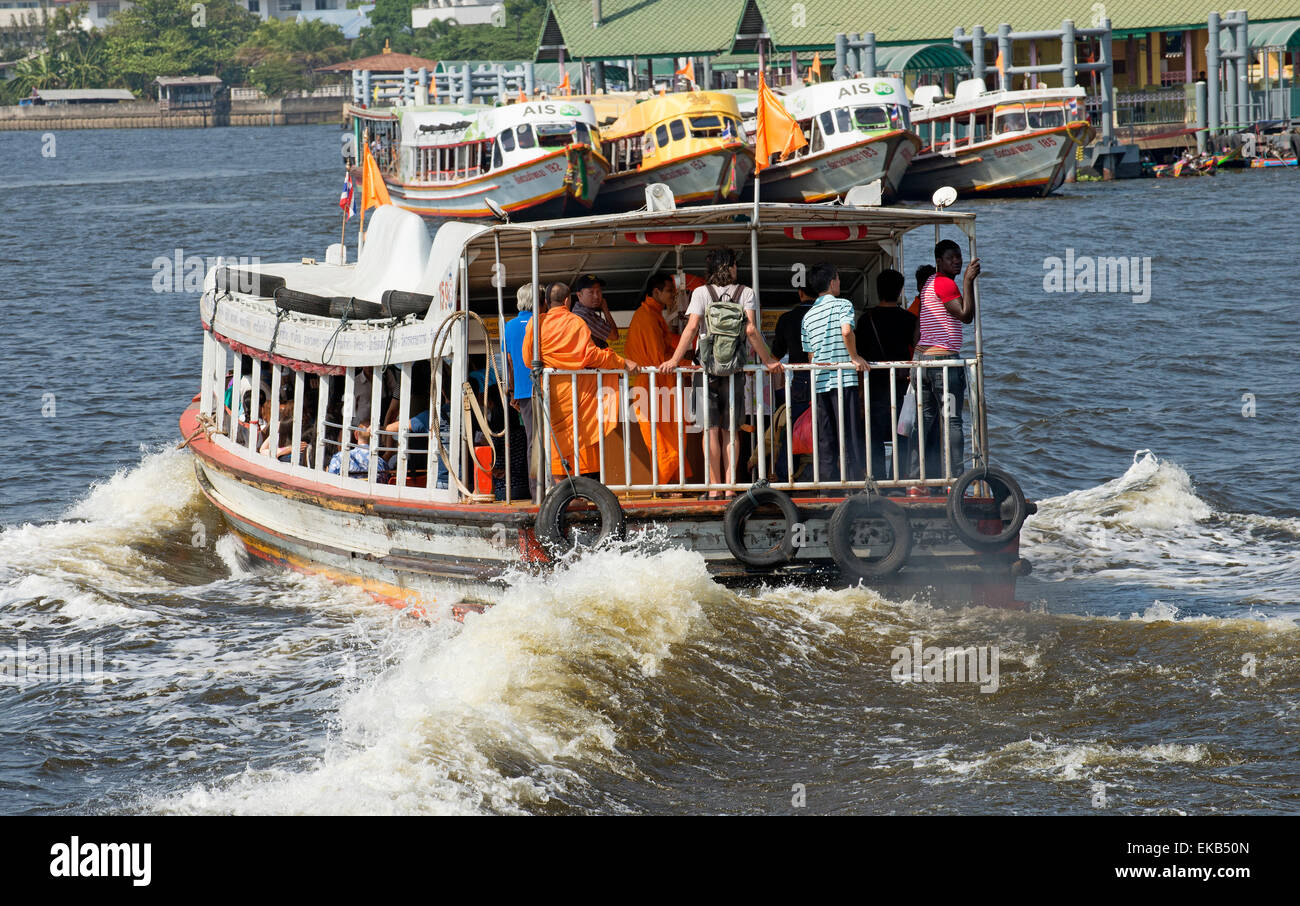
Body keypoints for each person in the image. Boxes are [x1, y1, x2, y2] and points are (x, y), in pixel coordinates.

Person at [660, 248, 781, 498]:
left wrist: (673, 359)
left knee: (710, 429)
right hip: (735, 369)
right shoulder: (746, 293)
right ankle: (729, 487)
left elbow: (692, 327)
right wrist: (768, 361)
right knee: (731, 430)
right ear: (731, 267)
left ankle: (714, 488)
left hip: (706, 370)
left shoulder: (701, 293)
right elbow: (750, 331)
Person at [523, 281, 639, 480]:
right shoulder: (575, 322)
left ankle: (561, 489)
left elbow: (528, 360)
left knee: (556, 440)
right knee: (579, 438)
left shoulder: (537, 323)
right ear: (568, 300)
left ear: (545, 301)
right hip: (576, 393)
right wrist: (620, 361)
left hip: (550, 392)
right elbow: (591, 355)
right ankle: (579, 492)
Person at [914, 239, 979, 484]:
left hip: (922, 362)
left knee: (924, 421)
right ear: (938, 261)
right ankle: (956, 479)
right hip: (943, 363)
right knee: (952, 421)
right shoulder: (943, 283)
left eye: (959, 257)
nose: (958, 261)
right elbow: (965, 315)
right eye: (951, 257)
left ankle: (916, 479)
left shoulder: (929, 283)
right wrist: (968, 281)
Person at [801, 262, 868, 487]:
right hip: (844, 381)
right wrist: (855, 357)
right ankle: (855, 486)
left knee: (826, 439)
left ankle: (827, 487)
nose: (839, 282)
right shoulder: (843, 304)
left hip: (820, 383)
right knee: (849, 436)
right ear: (832, 283)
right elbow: (847, 331)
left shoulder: (807, 317)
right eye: (838, 279)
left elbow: (810, 357)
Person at [624, 271, 690, 486]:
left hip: (659, 385)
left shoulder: (653, 315)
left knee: (669, 435)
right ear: (656, 292)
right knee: (661, 437)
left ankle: (672, 483)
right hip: (653, 385)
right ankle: (667, 485)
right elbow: (659, 359)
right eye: (670, 291)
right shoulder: (647, 318)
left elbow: (667, 347)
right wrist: (689, 365)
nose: (673, 296)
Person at [856, 269, 917, 482]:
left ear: (877, 290)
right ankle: (898, 481)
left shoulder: (865, 320)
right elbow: (918, 348)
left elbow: (858, 354)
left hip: (874, 386)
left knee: (873, 438)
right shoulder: (909, 319)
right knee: (901, 436)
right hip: (901, 386)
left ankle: (877, 480)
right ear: (900, 291)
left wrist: (861, 394)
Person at [502, 283, 539, 496]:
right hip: (544, 389)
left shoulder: (510, 326)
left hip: (523, 393)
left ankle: (536, 492)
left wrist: (512, 391)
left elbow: (508, 361)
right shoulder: (541, 323)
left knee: (532, 442)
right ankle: (552, 488)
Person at [569, 273, 619, 349]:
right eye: (591, 292)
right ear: (579, 295)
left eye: (598, 291)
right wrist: (605, 309)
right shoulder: (584, 315)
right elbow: (614, 336)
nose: (596, 296)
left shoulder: (579, 311)